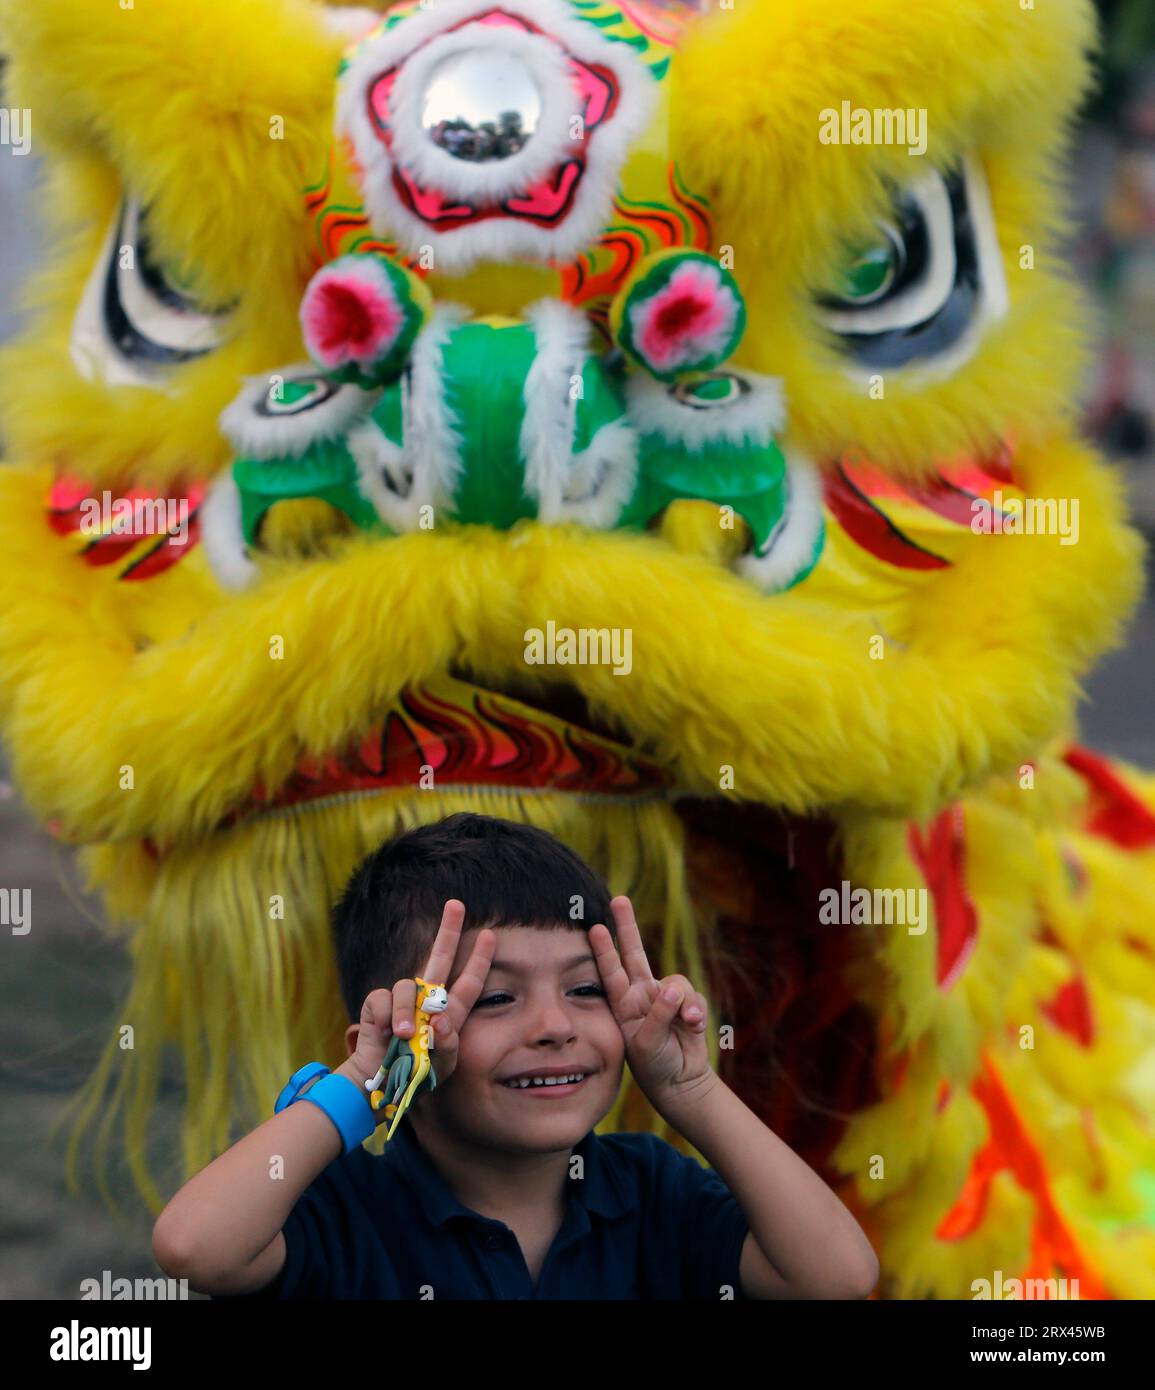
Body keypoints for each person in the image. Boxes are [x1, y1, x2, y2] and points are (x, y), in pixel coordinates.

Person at [152, 812, 879, 1300]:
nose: (554, 1025)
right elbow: (193, 1246)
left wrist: (690, 1090)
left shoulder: (654, 1192)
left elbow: (838, 1278)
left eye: (586, 989)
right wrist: (368, 1085)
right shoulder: (343, 1209)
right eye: (494, 1000)